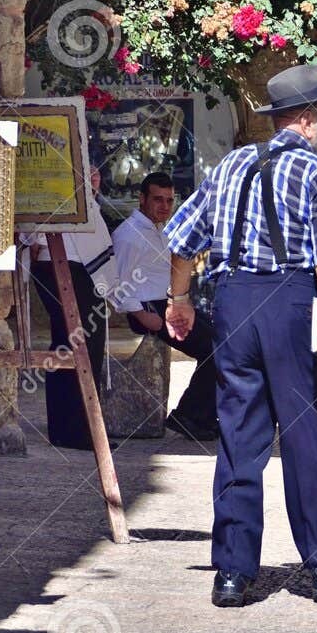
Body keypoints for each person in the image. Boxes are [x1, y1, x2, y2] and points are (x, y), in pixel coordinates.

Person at [162, 64, 317, 608]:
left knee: (239, 436)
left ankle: (231, 573)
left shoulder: (229, 166)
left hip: (233, 301)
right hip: (291, 302)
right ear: (304, 121)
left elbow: (181, 240)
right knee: (306, 434)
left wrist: (178, 300)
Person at [112, 171, 220, 442]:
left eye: (169, 201)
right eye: (158, 200)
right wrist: (142, 315)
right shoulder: (129, 234)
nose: (164, 206)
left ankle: (202, 416)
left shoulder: (159, 230)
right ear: (142, 199)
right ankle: (189, 416)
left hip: (165, 304)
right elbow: (118, 284)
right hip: (147, 309)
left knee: (224, 340)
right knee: (215, 349)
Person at [25, 167, 117, 451]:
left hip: (78, 263)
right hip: (58, 259)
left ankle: (74, 428)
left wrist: (90, 190)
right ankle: (76, 429)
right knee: (77, 341)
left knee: (77, 341)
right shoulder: (54, 166)